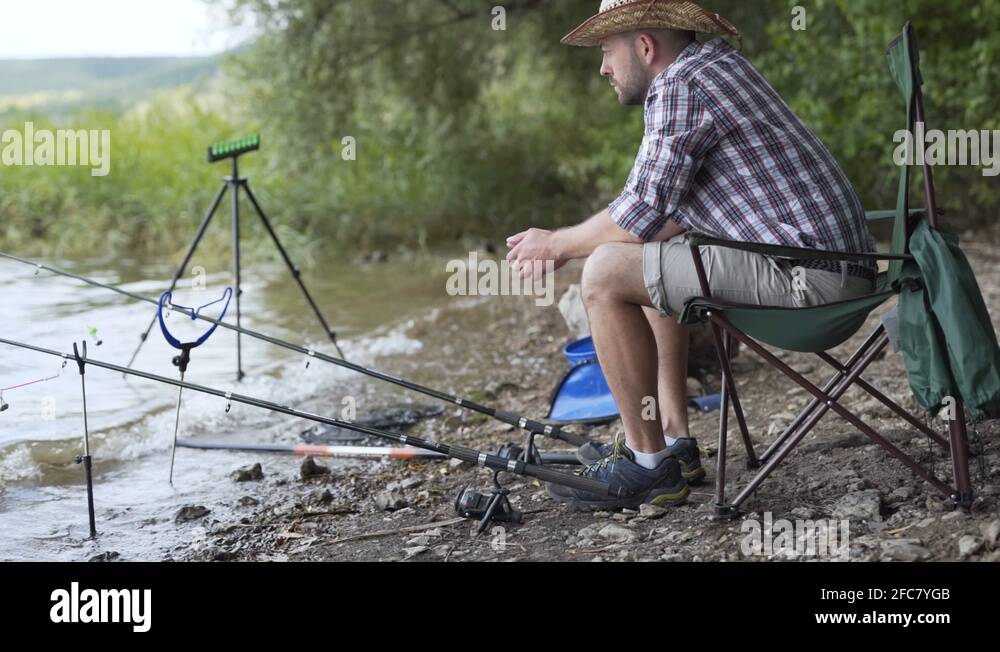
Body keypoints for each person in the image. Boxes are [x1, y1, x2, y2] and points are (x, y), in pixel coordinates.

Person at [506, 0, 877, 511]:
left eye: (607, 51)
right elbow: (657, 220)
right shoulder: (714, 69)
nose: (603, 68)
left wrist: (557, 245)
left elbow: (639, 209)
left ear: (644, 46)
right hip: (838, 273)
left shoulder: (682, 85)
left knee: (604, 272)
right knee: (656, 251)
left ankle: (647, 465)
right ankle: (673, 441)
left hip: (812, 284)